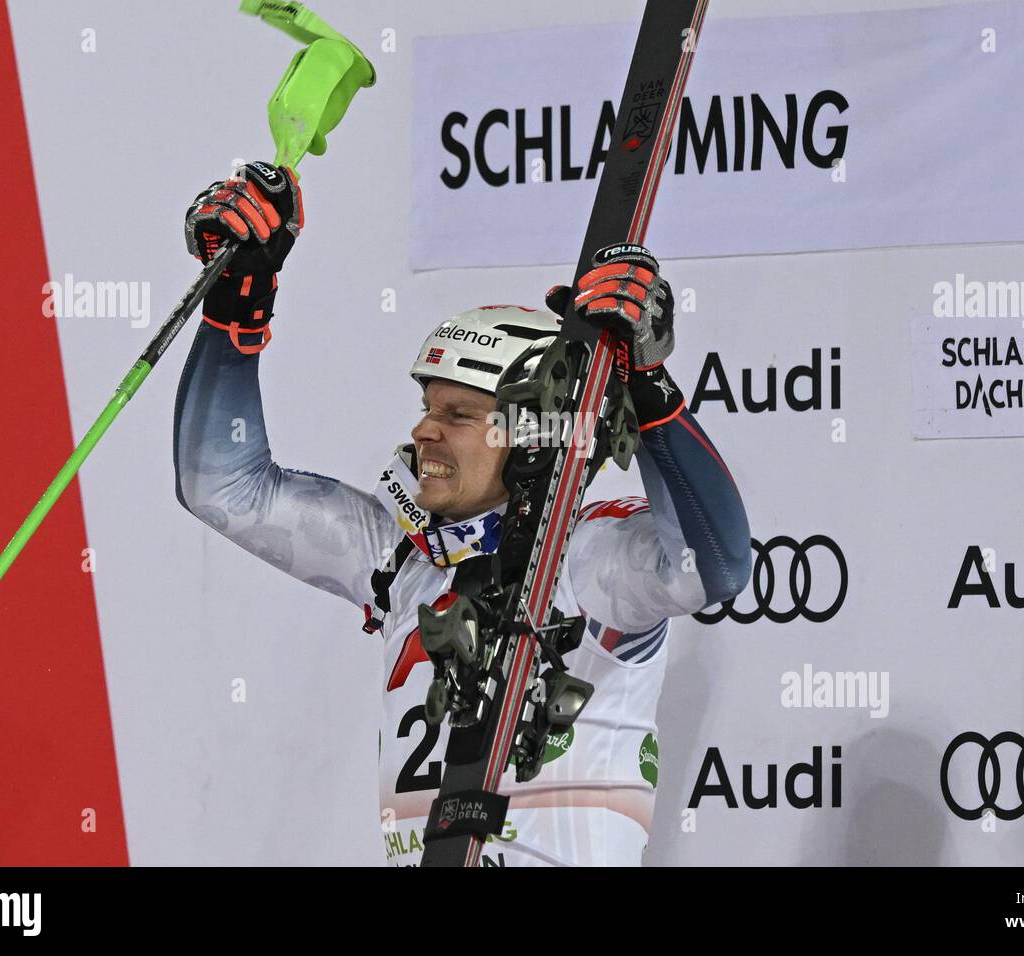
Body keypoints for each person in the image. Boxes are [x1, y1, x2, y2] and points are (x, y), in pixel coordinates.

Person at [173, 162, 752, 866]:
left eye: (458, 415)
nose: (424, 431)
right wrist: (235, 308)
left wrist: (651, 388)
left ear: (530, 433)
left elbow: (715, 567)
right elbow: (223, 487)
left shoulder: (588, 556)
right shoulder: (402, 558)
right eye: (427, 408)